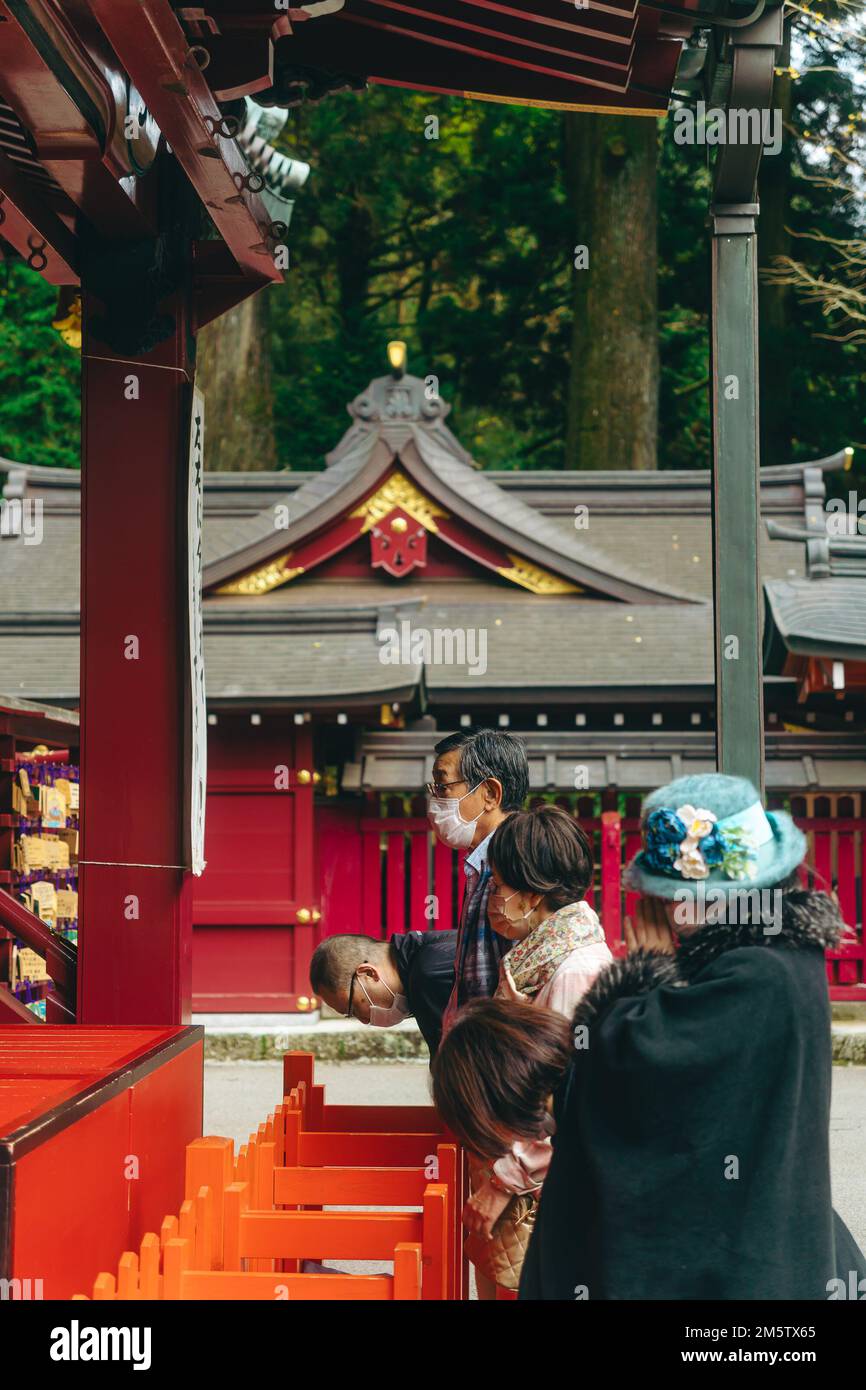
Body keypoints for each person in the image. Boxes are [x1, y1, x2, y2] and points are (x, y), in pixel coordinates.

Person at [433, 774, 866, 1300]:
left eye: (665, 897)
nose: (657, 910)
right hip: (760, 1244)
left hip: (742, 1264)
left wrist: (644, 975)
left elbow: (623, 1071)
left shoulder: (756, 979)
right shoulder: (782, 959)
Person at [460, 804, 613, 1293]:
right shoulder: (545, 959)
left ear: (533, 892)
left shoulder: (573, 972)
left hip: (538, 1190)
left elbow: (564, 1104)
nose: (492, 899)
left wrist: (503, 1181)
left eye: (500, 886)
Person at [427, 727, 529, 1031]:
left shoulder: (516, 865)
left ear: (490, 794)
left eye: (444, 787)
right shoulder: (481, 865)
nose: (435, 800)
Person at [309, 930, 456, 1057]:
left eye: (353, 1009)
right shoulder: (427, 951)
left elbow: (460, 1065)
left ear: (368, 973)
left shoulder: (429, 976)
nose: (365, 1021)